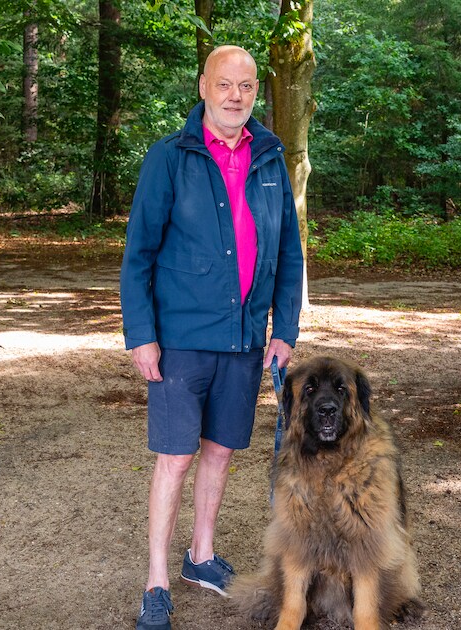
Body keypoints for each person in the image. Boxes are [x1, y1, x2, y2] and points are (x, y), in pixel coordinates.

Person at [118, 45, 304, 630]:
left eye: (246, 86)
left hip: (245, 339)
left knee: (220, 452)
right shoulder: (170, 158)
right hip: (179, 340)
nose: (235, 96)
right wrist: (142, 336)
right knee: (175, 459)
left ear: (255, 92)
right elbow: (138, 257)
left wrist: (285, 331)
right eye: (225, 84)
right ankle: (156, 581)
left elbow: (289, 255)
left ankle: (201, 557)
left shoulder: (271, 158)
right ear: (204, 86)